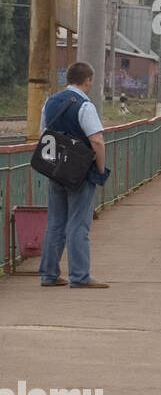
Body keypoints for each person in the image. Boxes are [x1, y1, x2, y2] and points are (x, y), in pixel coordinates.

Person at [38, 62, 110, 288]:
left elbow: (43, 134)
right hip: (80, 172)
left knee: (55, 222)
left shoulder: (49, 102)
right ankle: (80, 277)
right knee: (79, 224)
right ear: (88, 80)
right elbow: (97, 141)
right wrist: (99, 169)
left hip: (55, 168)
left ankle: (49, 275)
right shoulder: (84, 106)